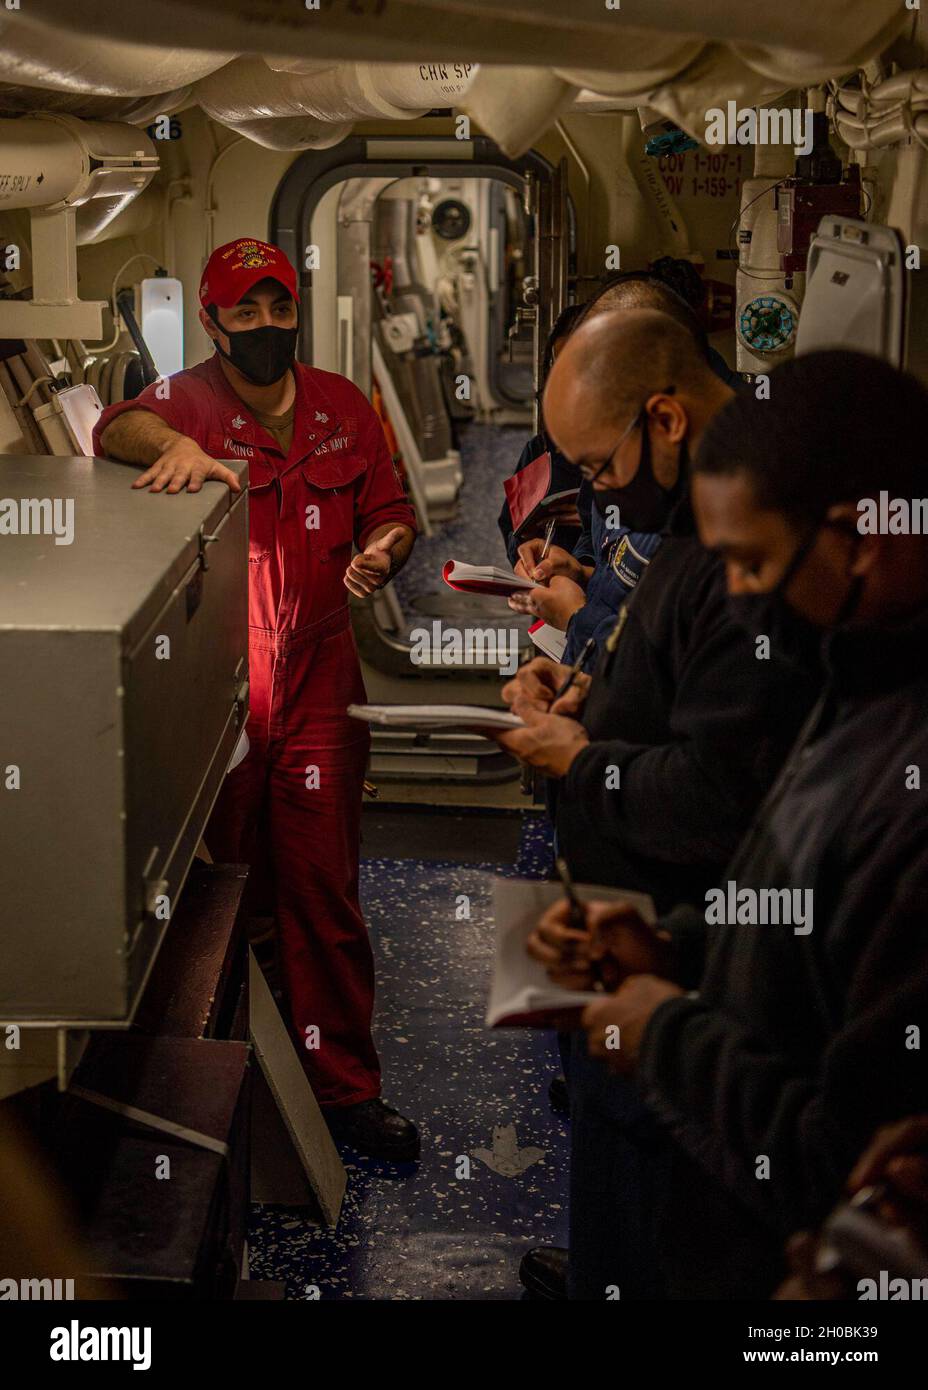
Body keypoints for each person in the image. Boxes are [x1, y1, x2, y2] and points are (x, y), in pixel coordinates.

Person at [541, 350, 928, 1296]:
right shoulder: (857, 676)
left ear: (863, 540)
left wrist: (664, 1034)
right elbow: (799, 895)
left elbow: (844, 1156)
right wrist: (674, 946)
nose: (742, 600)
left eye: (754, 563)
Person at [492, 309, 820, 1299]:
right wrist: (584, 680)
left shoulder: (740, 553)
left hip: (678, 945)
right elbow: (662, 673)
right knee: (608, 1172)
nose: (594, 490)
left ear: (666, 419)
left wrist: (581, 760)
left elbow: (723, 794)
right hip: (629, 921)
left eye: (594, 468)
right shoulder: (687, 520)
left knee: (650, 1199)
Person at [93, 237, 419, 1162]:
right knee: (221, 894)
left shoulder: (344, 409)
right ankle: (216, 1084)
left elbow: (391, 513)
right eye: (247, 313)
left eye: (280, 310)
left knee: (325, 888)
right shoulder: (186, 400)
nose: (268, 327)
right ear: (214, 322)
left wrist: (382, 554)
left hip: (319, 677)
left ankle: (345, 1090)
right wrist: (178, 445)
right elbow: (114, 427)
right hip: (223, 685)